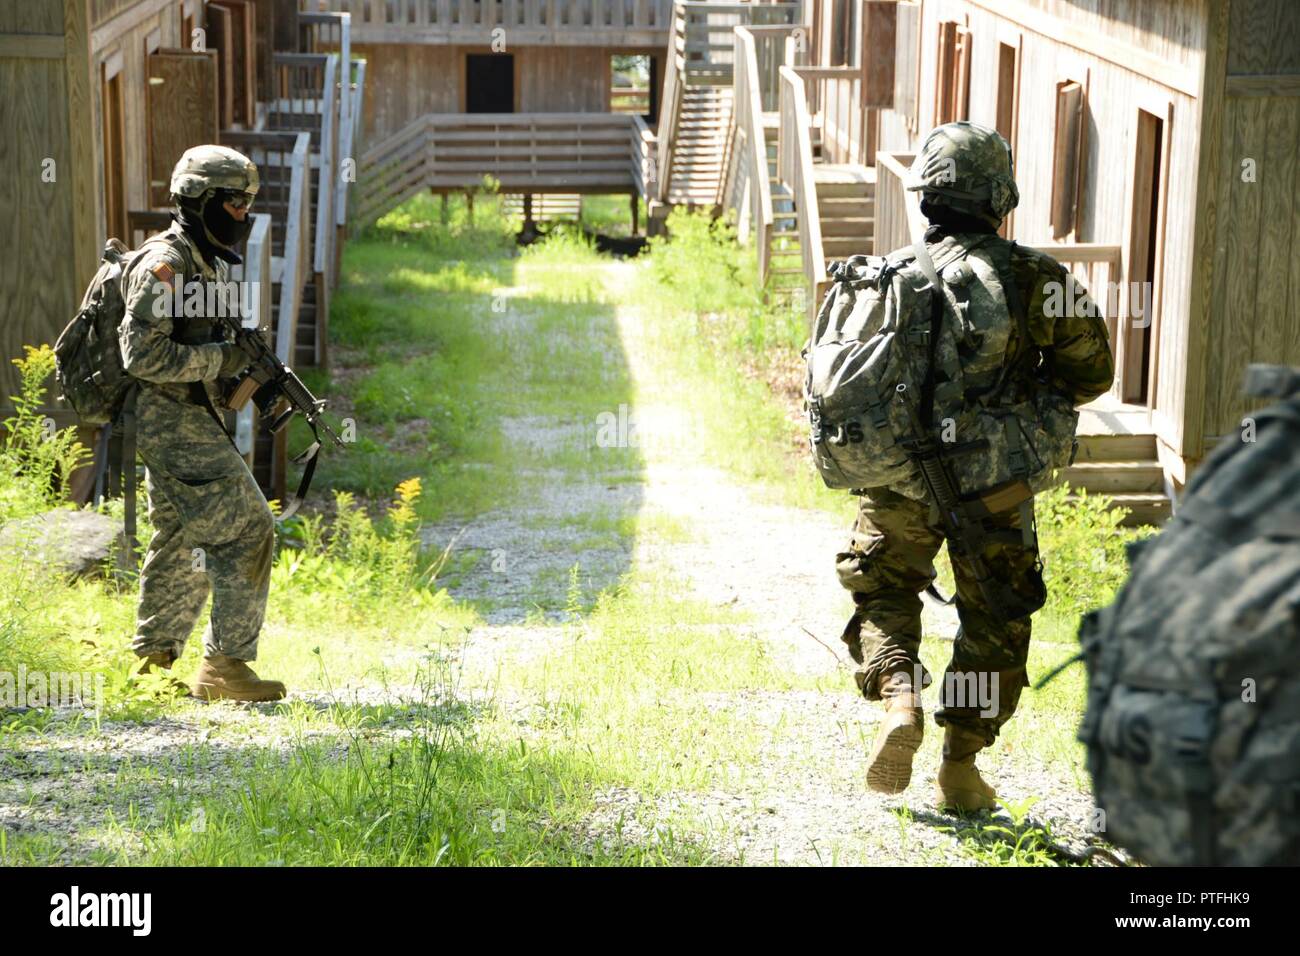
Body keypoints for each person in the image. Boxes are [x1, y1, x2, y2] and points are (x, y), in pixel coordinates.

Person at [838, 122, 1114, 810]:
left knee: (885, 592)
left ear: (926, 197)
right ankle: (960, 767)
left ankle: (899, 696)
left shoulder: (888, 276)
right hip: (996, 485)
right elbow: (1094, 371)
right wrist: (1029, 408)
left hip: (898, 481)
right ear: (1000, 198)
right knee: (995, 618)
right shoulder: (1036, 279)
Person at [120, 144, 285, 702]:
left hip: (185, 419)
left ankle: (153, 661)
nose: (244, 213)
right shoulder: (164, 266)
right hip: (173, 422)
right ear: (200, 199)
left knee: (181, 535)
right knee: (248, 528)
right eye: (235, 202)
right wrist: (224, 360)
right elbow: (140, 356)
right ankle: (226, 667)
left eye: (248, 202)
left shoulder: (202, 259)